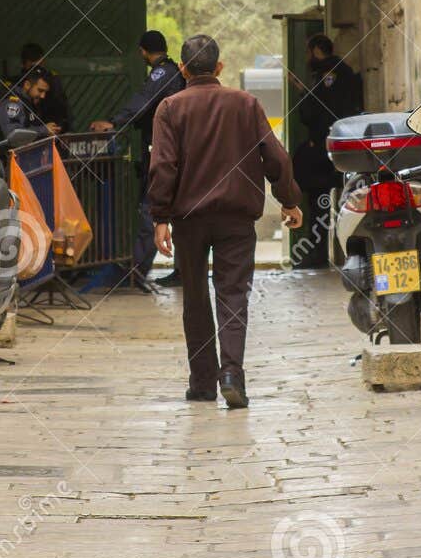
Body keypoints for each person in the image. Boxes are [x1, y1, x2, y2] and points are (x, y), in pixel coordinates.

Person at [148, 34, 303, 408]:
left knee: (196, 298)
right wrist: (289, 200)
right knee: (233, 296)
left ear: (182, 69)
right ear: (219, 67)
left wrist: (160, 217)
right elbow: (276, 158)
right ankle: (232, 375)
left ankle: (202, 382)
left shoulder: (170, 108)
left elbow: (163, 166)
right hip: (236, 218)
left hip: (189, 220)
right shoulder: (245, 104)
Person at [89, 30, 184, 284]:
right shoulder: (173, 71)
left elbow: (143, 101)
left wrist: (114, 122)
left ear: (144, 51)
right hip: (173, 151)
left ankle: (137, 272)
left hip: (164, 152)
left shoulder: (162, 73)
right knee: (178, 210)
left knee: (148, 208)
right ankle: (180, 272)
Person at [290, 33, 364, 268]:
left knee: (317, 199)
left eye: (308, 51)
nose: (306, 57)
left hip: (327, 148)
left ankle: (317, 253)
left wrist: (304, 94)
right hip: (343, 144)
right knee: (342, 198)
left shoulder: (328, 75)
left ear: (316, 50)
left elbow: (318, 111)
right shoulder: (343, 72)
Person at [6, 41, 73, 131]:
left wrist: (59, 128)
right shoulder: (15, 85)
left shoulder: (52, 81)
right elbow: (13, 130)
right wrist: (42, 130)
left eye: (40, 65)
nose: (38, 71)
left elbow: (62, 111)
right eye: (33, 67)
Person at [0, 68, 56, 146]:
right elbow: (11, 134)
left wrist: (47, 131)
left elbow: (28, 126)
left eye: (45, 92)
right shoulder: (13, 103)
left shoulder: (29, 101)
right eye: (40, 90)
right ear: (27, 85)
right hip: (5, 156)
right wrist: (43, 130)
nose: (43, 96)